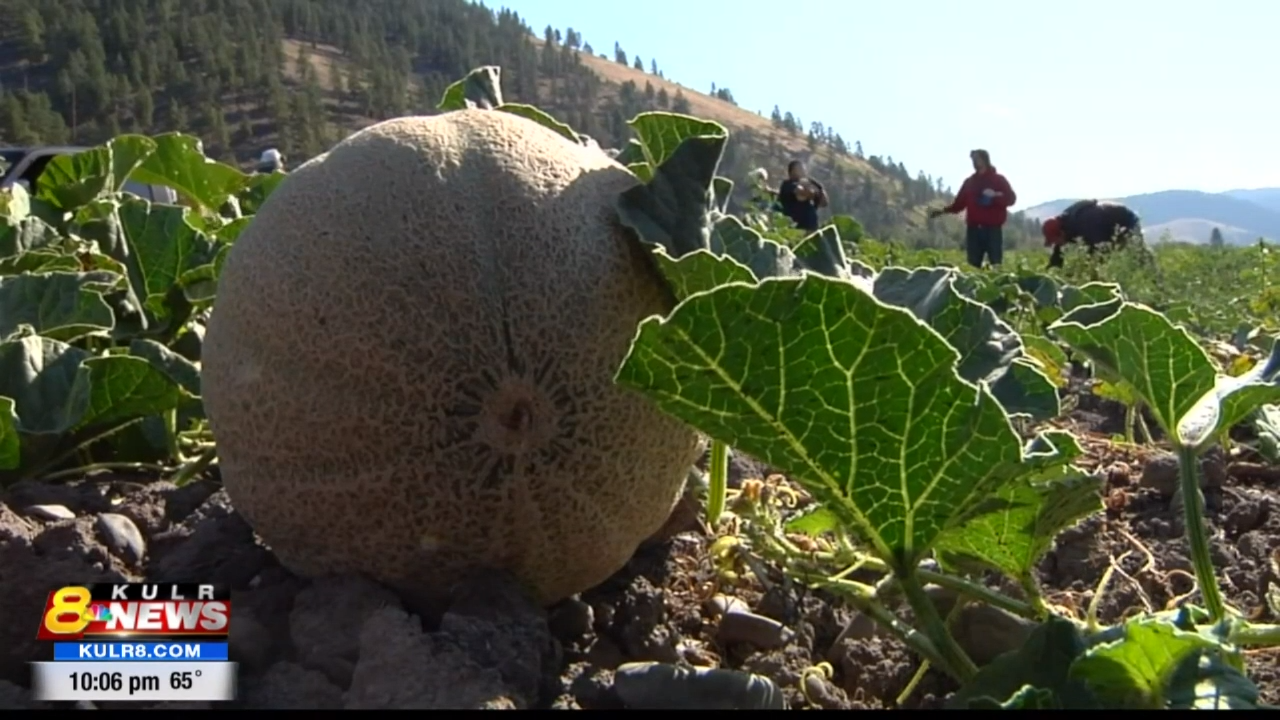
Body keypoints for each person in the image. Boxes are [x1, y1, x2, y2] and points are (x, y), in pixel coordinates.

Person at [928, 149, 1017, 269]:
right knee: (973, 266)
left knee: (996, 264)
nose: (975, 162)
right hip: (974, 230)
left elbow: (1011, 199)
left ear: (985, 160)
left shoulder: (998, 180)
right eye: (973, 160)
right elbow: (958, 205)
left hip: (993, 230)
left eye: (977, 159)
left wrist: (995, 196)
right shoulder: (970, 183)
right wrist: (941, 211)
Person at [1041, 199, 1142, 269]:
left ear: (1061, 233)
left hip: (1127, 222)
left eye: (1055, 240)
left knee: (1136, 254)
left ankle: (1155, 279)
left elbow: (1100, 249)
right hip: (1105, 229)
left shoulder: (1086, 221)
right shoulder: (1065, 226)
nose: (1056, 243)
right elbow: (1057, 259)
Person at [777, 160, 828, 232]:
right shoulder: (787, 185)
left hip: (811, 228)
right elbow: (801, 192)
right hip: (795, 229)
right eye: (800, 168)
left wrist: (816, 189)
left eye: (804, 169)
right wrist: (813, 193)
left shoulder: (811, 183)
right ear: (792, 171)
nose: (803, 171)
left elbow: (824, 202)